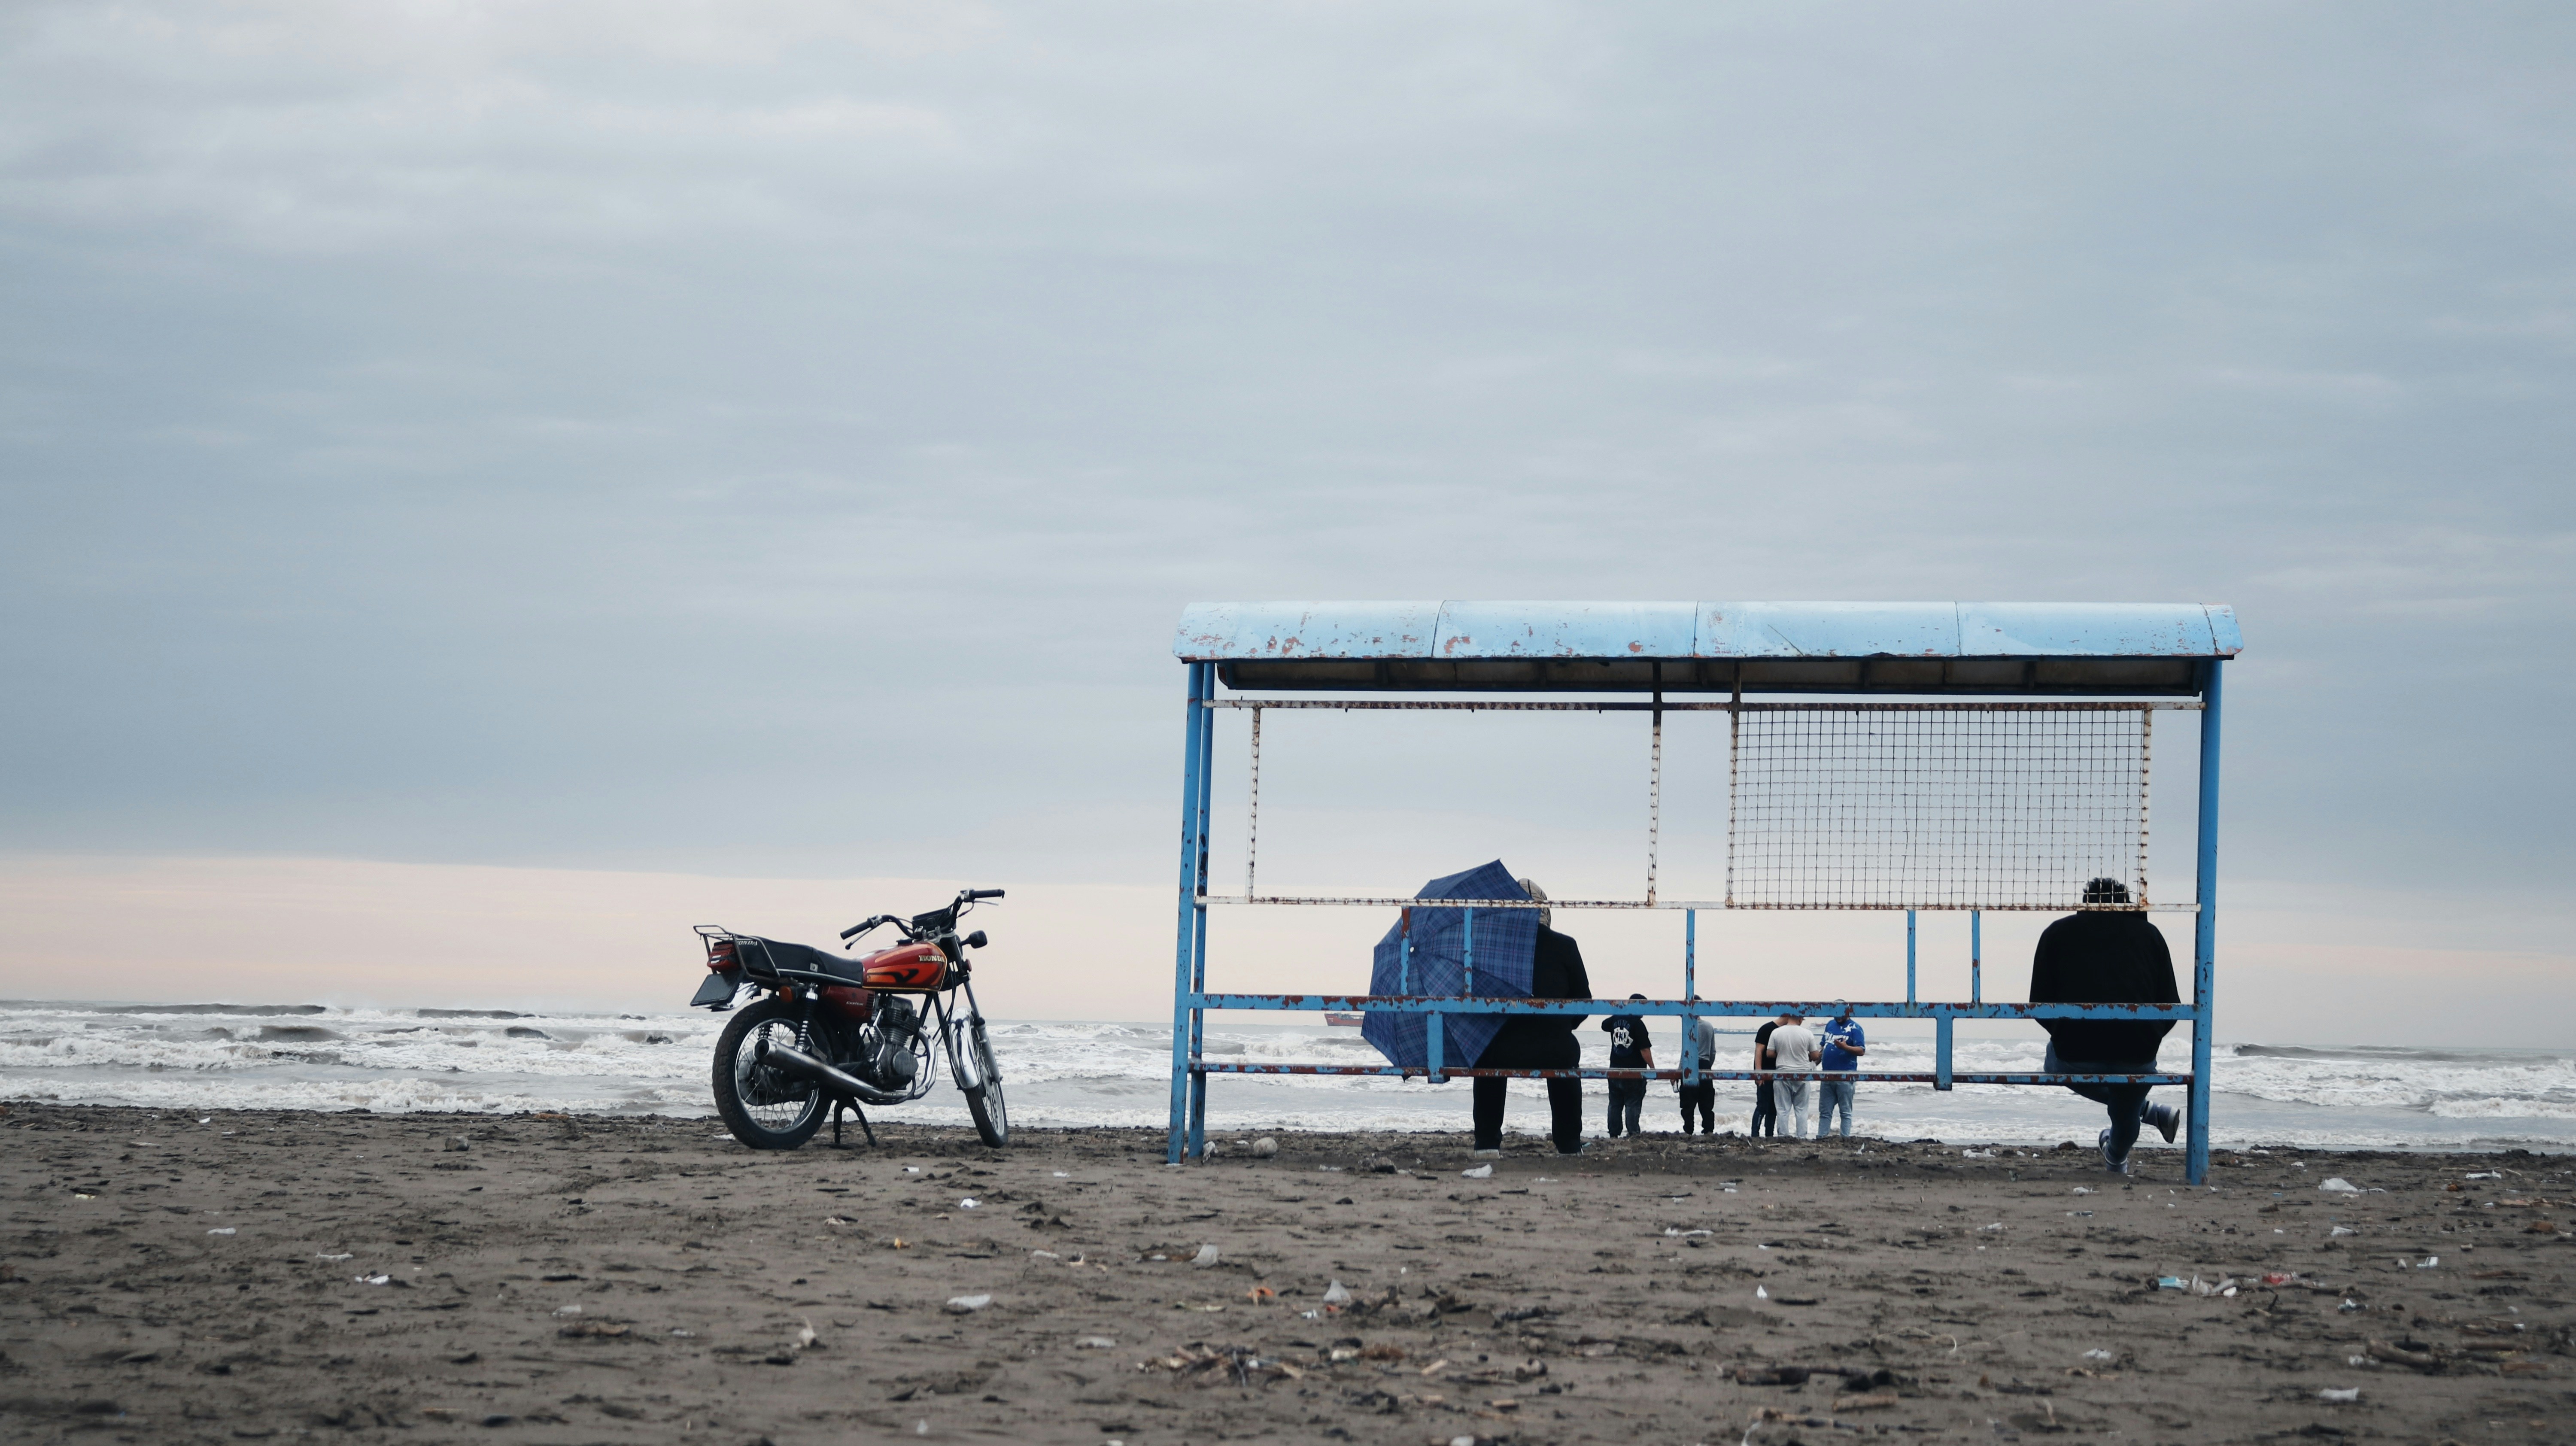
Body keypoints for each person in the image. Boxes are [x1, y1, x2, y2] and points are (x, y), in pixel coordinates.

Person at [2031, 877, 2184, 1175]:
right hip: (2137, 1053)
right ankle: (2120, 1152)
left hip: (2074, 1053)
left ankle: (2147, 1115)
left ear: (2086, 904)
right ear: (2128, 905)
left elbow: (2038, 1003)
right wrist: (2147, 1037)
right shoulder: (2151, 936)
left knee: (2054, 1065)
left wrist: (2067, 1032)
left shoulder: (2057, 933)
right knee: (2127, 1100)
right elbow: (2172, 1006)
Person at [1470, 879, 1590, 1156]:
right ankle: (1569, 1144)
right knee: (1567, 1059)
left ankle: (1487, 1144)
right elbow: (1584, 1002)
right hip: (1554, 1047)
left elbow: (1476, 1002)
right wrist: (1559, 1026)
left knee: (1485, 1059)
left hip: (1500, 1048)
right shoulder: (1565, 946)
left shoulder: (1490, 948)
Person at [1601, 994, 1653, 1138]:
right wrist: (1653, 1069)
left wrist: (1619, 1012)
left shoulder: (1617, 1018)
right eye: (1644, 1006)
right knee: (1632, 1104)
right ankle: (1633, 1133)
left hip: (1615, 1069)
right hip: (1634, 1072)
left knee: (1615, 1104)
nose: (1645, 1010)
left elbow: (1604, 1025)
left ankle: (1614, 1134)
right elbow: (1645, 1050)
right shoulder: (1638, 1023)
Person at [1767, 1012, 1820, 1139]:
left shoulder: (1776, 1032)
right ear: (1801, 1019)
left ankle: (1783, 1136)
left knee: (1782, 1110)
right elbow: (1815, 1056)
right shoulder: (1807, 1034)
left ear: (1788, 1017)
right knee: (1801, 1110)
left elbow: (1770, 1054)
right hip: (1802, 1074)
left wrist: (1781, 1053)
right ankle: (1801, 1136)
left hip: (1782, 1073)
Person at [1818, 1000, 1866, 1139]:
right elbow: (1823, 1046)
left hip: (1846, 1075)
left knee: (1845, 1112)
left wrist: (1845, 1047)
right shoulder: (1830, 1025)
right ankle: (1821, 1137)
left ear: (1848, 1011)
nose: (1838, 1017)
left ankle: (1845, 1138)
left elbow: (1861, 1050)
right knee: (1825, 1111)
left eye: (1841, 1014)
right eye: (1835, 1014)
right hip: (1827, 1075)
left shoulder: (1855, 1028)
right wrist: (1813, 1062)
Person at [1676, 1015, 1717, 1135]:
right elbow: (1713, 1051)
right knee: (1707, 1102)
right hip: (1705, 1063)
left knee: (1688, 1102)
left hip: (1690, 1063)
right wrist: (1708, 1066)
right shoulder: (1709, 1026)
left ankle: (1689, 1130)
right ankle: (1708, 1130)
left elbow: (1685, 1051)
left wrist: (1680, 1070)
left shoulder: (1689, 1026)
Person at [1748, 1014, 1783, 1137]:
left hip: (1777, 1073)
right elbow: (1758, 1051)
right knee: (1762, 1106)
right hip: (1765, 1072)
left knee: (1774, 1107)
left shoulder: (1782, 1031)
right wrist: (1759, 1073)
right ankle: (1755, 1134)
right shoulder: (1767, 1029)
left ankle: (1770, 1134)